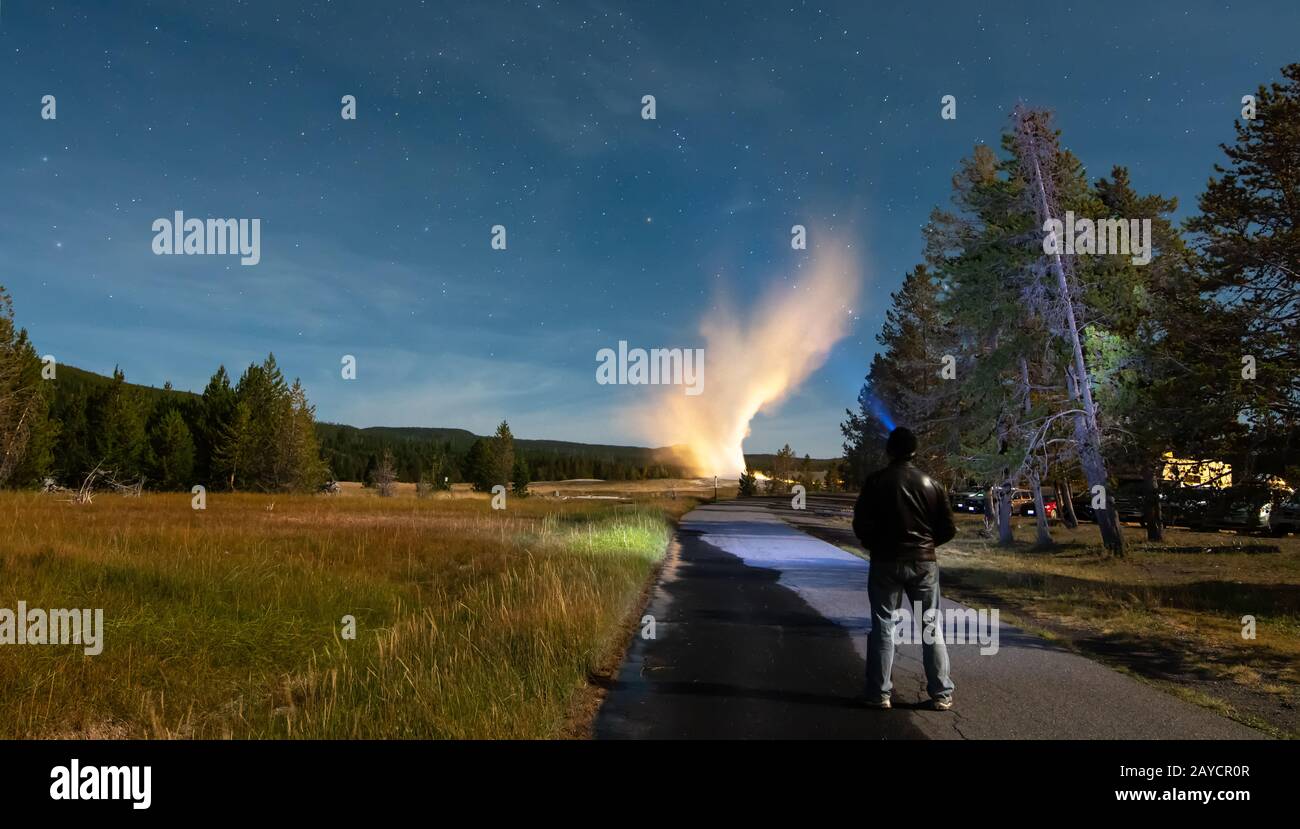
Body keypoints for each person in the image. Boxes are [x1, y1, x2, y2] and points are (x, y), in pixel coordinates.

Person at [852, 427, 957, 710]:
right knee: (930, 627)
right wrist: (926, 545)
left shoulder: (875, 482)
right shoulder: (931, 484)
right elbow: (948, 528)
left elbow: (860, 523)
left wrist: (875, 544)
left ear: (889, 450)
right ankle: (941, 694)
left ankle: (879, 693)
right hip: (924, 563)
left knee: (883, 626)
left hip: (885, 562)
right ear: (914, 451)